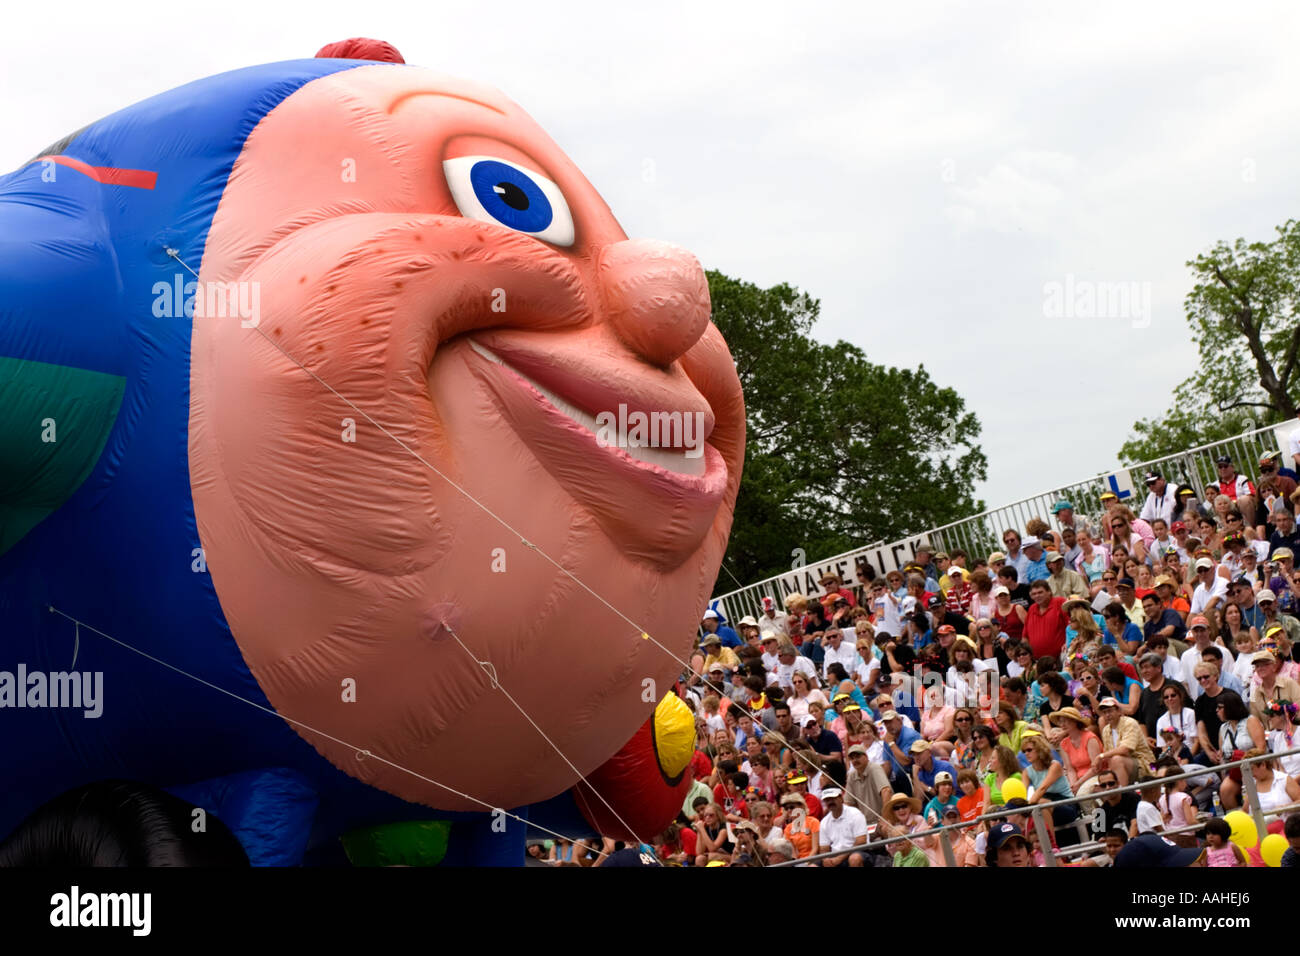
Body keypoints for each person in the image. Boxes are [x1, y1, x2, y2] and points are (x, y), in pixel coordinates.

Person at [1216, 690, 1266, 810]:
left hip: (1254, 766)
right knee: (1225, 789)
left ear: (1230, 707)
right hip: (1234, 770)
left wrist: (1246, 758)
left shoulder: (1250, 721)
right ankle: (1238, 820)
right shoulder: (1223, 728)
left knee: (1248, 782)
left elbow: (1261, 748)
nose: (1217, 711)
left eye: (1220, 707)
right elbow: (1222, 757)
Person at [1023, 733, 1077, 835]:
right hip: (1042, 804)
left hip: (1065, 804)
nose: (1026, 753)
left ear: (1039, 750)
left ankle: (1052, 844)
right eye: (1024, 751)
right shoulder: (1026, 772)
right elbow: (1022, 793)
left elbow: (1042, 788)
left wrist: (1026, 809)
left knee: (1040, 803)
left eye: (1029, 750)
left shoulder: (1054, 765)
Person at [1094, 697, 1154, 786]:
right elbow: (1109, 757)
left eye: (1110, 711)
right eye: (1104, 712)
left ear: (1119, 711)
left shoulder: (1129, 723)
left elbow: (1125, 750)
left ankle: (1123, 794)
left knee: (1116, 760)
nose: (1107, 715)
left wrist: (1100, 756)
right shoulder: (1106, 730)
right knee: (1096, 786)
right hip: (1122, 766)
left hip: (1146, 765)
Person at [816, 787, 869, 867]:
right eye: (827, 800)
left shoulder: (855, 814)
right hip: (835, 856)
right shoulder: (824, 822)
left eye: (833, 798)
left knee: (854, 859)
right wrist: (826, 859)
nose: (830, 802)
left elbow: (861, 842)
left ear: (841, 798)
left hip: (859, 852)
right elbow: (824, 849)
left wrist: (839, 858)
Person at [844, 744, 892, 821]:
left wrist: (885, 817)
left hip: (881, 819)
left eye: (858, 756)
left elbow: (886, 790)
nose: (855, 760)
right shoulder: (851, 776)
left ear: (866, 756)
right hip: (865, 823)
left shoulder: (874, 768)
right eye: (852, 758)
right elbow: (848, 803)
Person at [1023, 580, 1068, 659]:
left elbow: (1072, 626)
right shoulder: (1031, 609)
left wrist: (1068, 643)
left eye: (1040, 592)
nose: (1037, 596)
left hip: (1060, 657)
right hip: (1038, 661)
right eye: (1034, 594)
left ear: (1049, 592)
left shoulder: (1060, 602)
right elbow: (1025, 637)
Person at [1264, 699, 1300, 777]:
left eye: (1272, 716)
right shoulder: (1277, 738)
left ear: (1283, 716)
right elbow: (1280, 766)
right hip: (1288, 782)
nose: (1268, 719)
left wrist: (1293, 782)